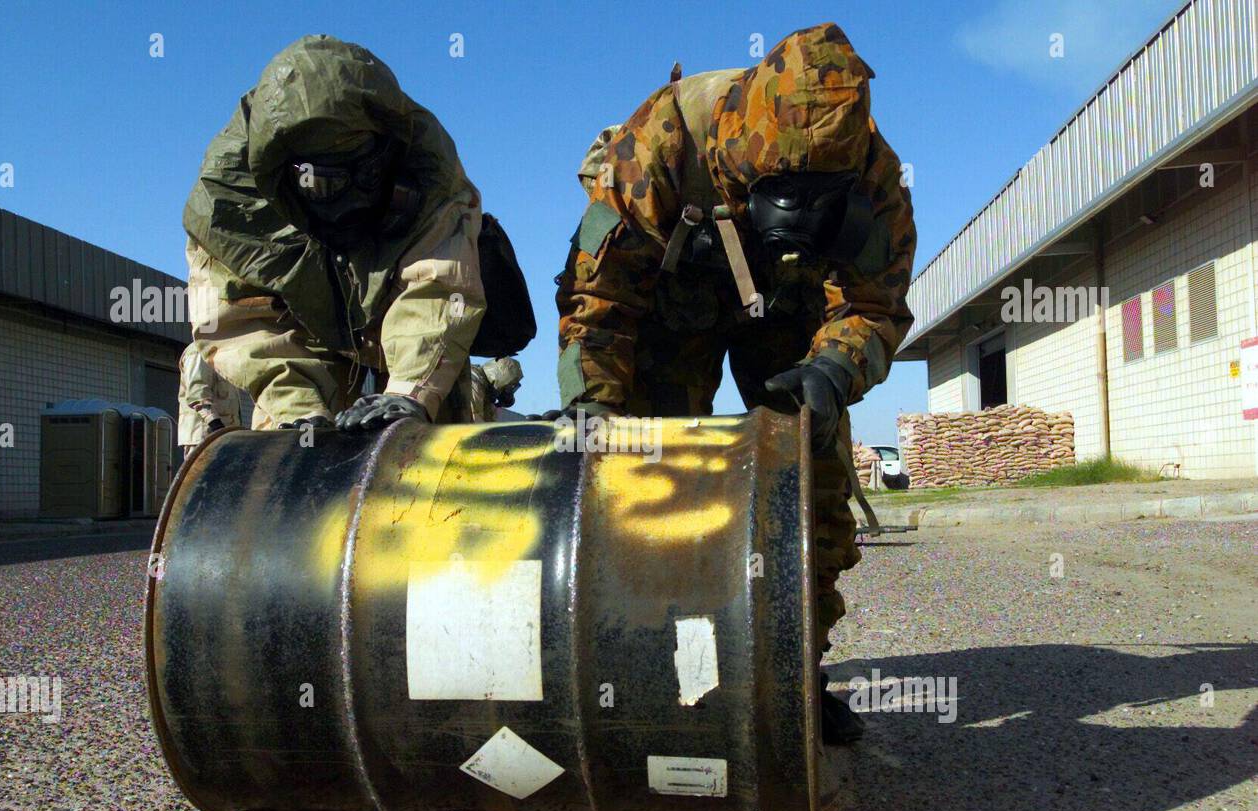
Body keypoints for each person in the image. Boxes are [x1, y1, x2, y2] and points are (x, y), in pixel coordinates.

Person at [553, 23, 917, 742]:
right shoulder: (663, 138)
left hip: (789, 313)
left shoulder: (873, 174)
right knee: (644, 481)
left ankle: (792, 674)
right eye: (785, 192)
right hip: (669, 307)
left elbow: (875, 305)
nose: (802, 211)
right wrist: (592, 406)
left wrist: (832, 368)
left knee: (811, 479)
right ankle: (648, 669)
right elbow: (598, 302)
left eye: (821, 196)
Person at [183, 35, 488, 431]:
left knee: (429, 447)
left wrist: (409, 394)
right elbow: (242, 322)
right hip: (303, 333)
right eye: (328, 182)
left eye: (369, 173)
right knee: (292, 457)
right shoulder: (226, 205)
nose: (356, 198)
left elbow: (441, 282)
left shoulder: (426, 164)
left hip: (402, 326)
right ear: (290, 175)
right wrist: (298, 409)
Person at [176, 343, 244, 456]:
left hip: (224, 436)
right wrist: (216, 425)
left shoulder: (220, 352)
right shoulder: (199, 351)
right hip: (204, 437)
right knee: (203, 473)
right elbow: (197, 393)